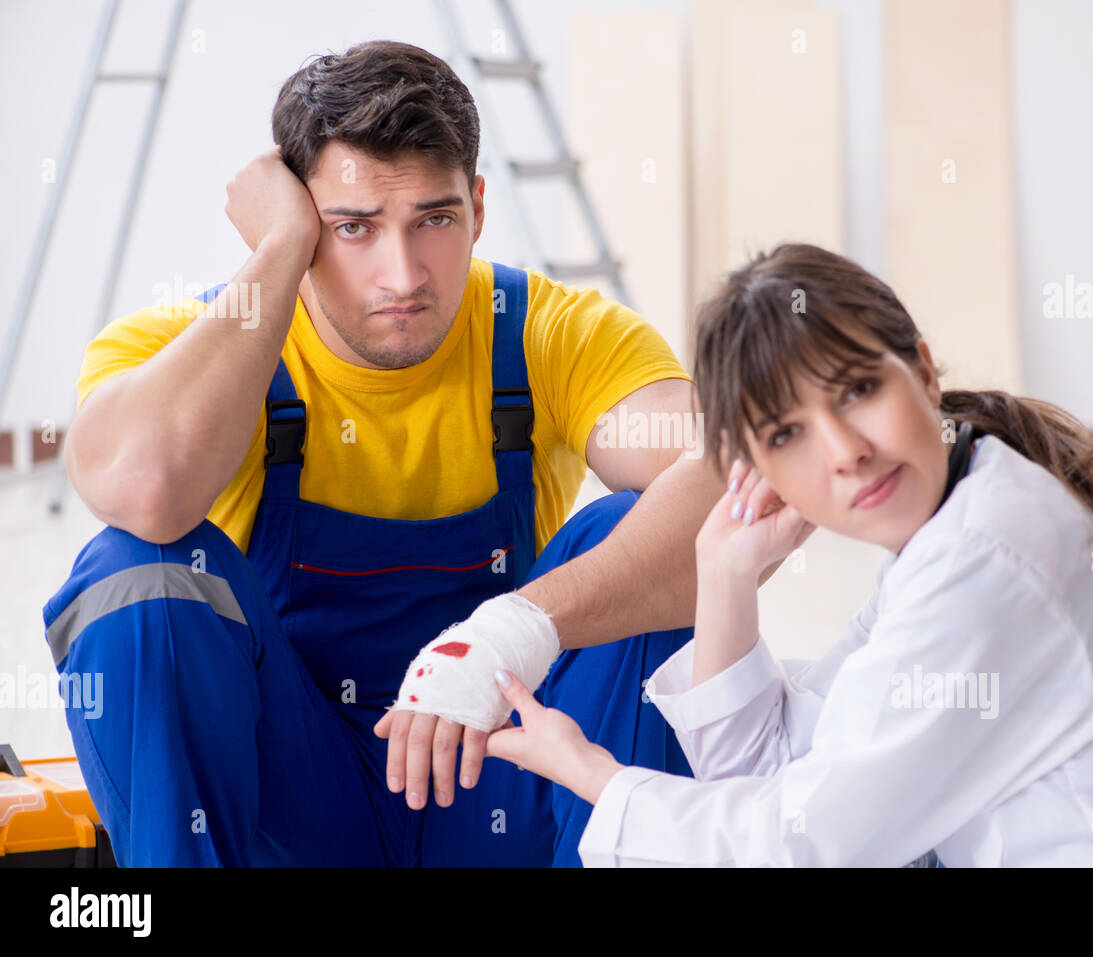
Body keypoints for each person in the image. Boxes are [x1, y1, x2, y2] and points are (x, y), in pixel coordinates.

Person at [42, 39, 733, 867]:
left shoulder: (548, 333)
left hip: (499, 776)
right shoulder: (196, 346)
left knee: (644, 527)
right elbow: (142, 489)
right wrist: (276, 255)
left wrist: (515, 629)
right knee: (140, 570)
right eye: (353, 228)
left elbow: (735, 478)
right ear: (297, 226)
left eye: (434, 220)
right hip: (299, 801)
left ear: (477, 208)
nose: (401, 274)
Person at [483, 243, 1093, 866]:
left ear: (922, 368)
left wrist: (595, 774)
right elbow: (782, 766)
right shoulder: (955, 517)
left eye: (856, 391)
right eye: (787, 435)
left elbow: (806, 844)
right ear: (758, 471)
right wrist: (725, 574)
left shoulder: (990, 554)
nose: (844, 452)